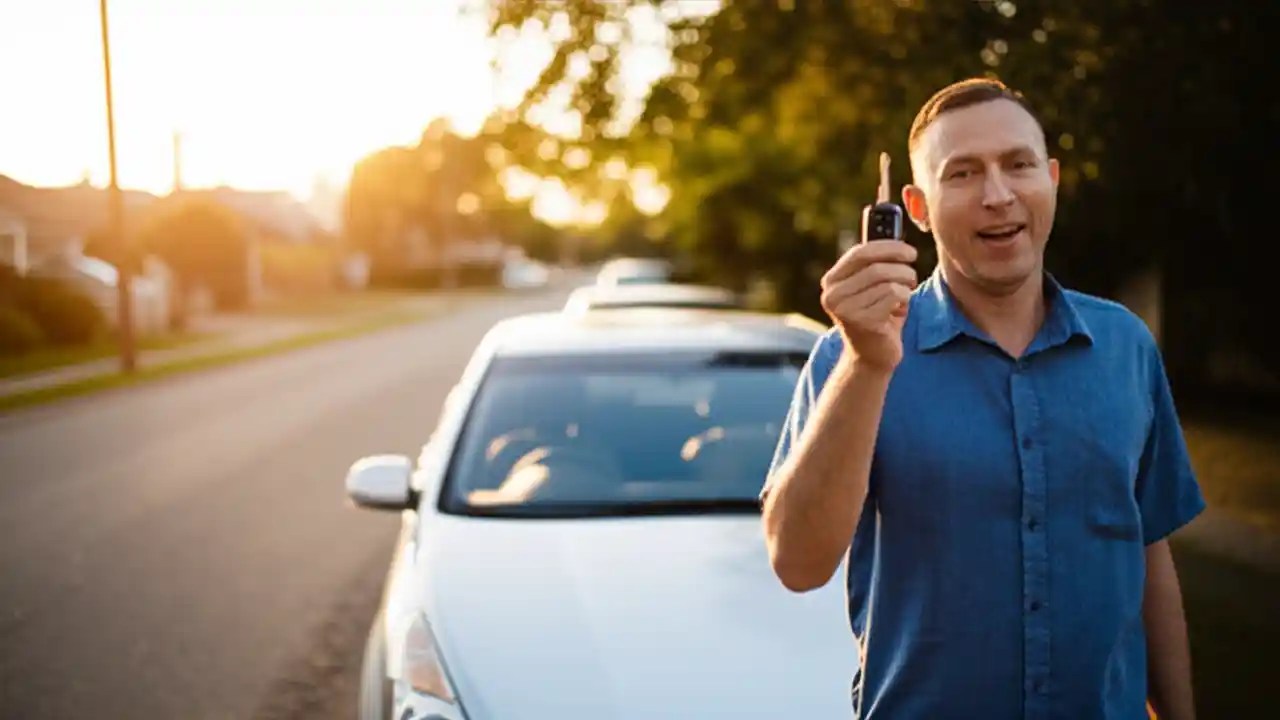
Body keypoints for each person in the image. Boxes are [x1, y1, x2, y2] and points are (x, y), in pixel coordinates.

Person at [760, 77, 1205, 720]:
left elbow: (1147, 548)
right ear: (916, 207)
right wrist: (867, 363)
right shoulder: (849, 354)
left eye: (1018, 165)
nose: (998, 196)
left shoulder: (1126, 346)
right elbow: (797, 563)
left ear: (1050, 177)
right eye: (962, 174)